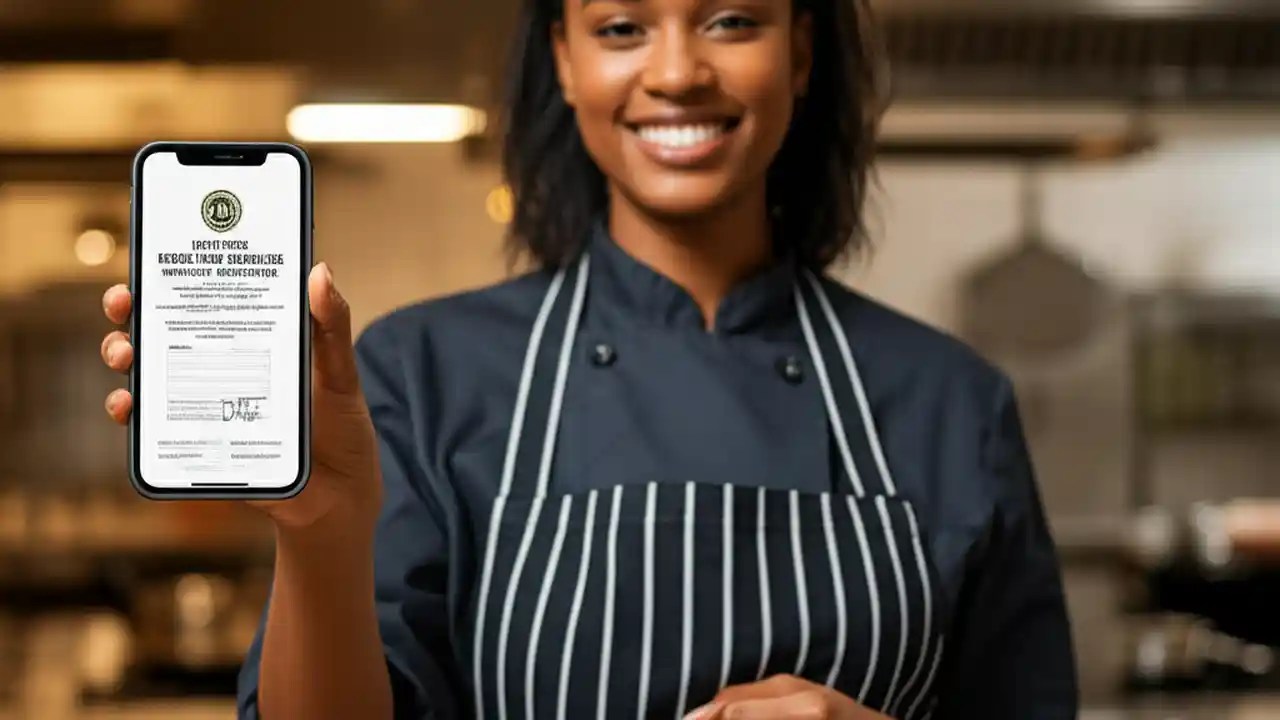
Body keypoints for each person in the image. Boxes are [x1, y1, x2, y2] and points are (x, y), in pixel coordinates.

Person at [99, 0, 1078, 716]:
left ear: (801, 52)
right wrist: (316, 530)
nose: (678, 71)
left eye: (732, 20)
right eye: (620, 28)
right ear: (561, 59)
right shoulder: (421, 376)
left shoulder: (950, 401)